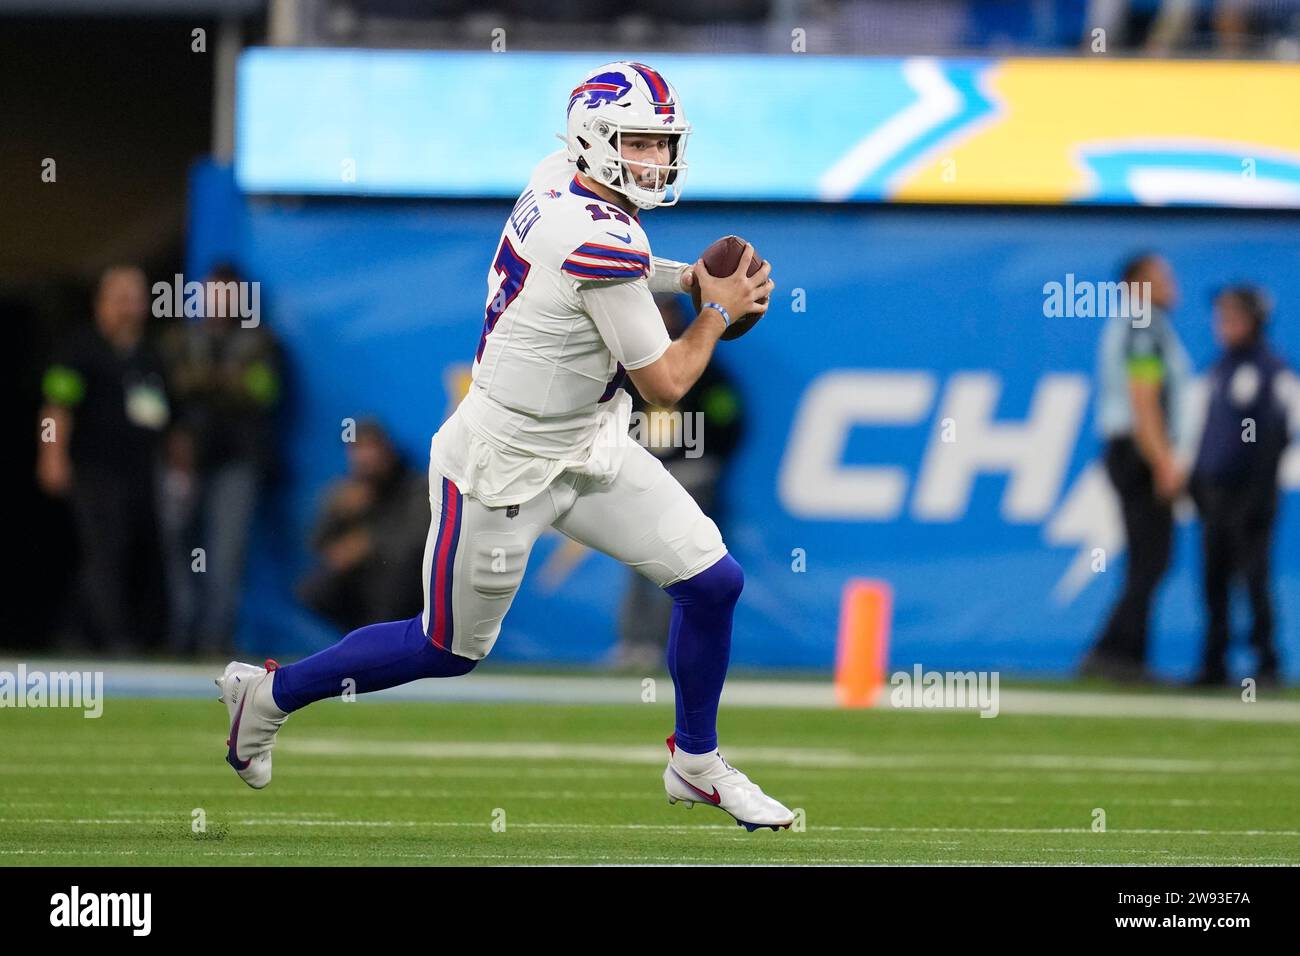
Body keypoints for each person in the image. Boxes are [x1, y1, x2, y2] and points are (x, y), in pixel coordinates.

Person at [215, 62, 791, 831]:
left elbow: (613, 265)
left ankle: (696, 762)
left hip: (589, 447)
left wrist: (685, 275)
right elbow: (665, 384)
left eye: (663, 144)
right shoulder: (596, 233)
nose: (655, 162)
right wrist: (712, 311)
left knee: (712, 582)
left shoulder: (563, 178)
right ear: (594, 140)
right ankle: (272, 693)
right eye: (639, 143)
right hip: (503, 465)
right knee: (446, 648)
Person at [36, 265, 170, 655]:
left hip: (138, 470)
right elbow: (55, 407)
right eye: (120, 299)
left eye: (135, 299)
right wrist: (51, 453)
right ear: (101, 303)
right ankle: (117, 640)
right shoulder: (79, 349)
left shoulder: (148, 354)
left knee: (119, 550)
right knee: (104, 547)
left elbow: (162, 412)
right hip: (94, 468)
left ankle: (72, 632)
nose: (128, 308)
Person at [614, 293, 745, 671]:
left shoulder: (704, 369)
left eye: (668, 312)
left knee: (686, 566)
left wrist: (702, 459)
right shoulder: (626, 369)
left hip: (689, 476)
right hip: (639, 475)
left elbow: (728, 419)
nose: (663, 320)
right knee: (639, 562)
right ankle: (634, 643)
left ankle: (673, 646)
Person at [159, 264, 282, 659]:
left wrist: (206, 382)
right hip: (181, 462)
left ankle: (214, 639)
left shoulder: (262, 343)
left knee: (224, 555)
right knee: (177, 548)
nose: (219, 302)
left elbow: (262, 393)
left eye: (228, 294)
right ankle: (180, 636)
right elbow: (162, 394)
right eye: (212, 293)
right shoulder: (178, 340)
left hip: (236, 462)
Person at [1080, 252, 1191, 682]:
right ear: (1136, 284)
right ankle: (1114, 652)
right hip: (1138, 450)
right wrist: (1162, 459)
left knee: (1149, 558)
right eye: (1161, 276)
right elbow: (1143, 397)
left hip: (1132, 448)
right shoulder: (1143, 324)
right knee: (1152, 557)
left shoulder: (1142, 324)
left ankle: (1126, 656)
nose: (1171, 283)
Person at [1189, 286, 1294, 687]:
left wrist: (1257, 491)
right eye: (1221, 318)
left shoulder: (1267, 371)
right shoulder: (1221, 368)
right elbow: (1213, 431)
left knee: (1253, 578)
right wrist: (1199, 479)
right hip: (1217, 491)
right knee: (1214, 577)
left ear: (1254, 322)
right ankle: (1213, 662)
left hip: (1249, 492)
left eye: (1232, 318)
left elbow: (1270, 435)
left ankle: (1266, 662)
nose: (1223, 326)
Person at [297, 419, 429, 632]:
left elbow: (418, 538)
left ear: (386, 450)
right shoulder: (348, 492)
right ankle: (360, 639)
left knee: (396, 575)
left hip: (404, 579)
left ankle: (385, 640)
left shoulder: (413, 487)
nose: (365, 456)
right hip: (363, 580)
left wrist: (369, 543)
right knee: (318, 585)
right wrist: (339, 515)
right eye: (357, 449)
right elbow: (319, 544)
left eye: (370, 447)